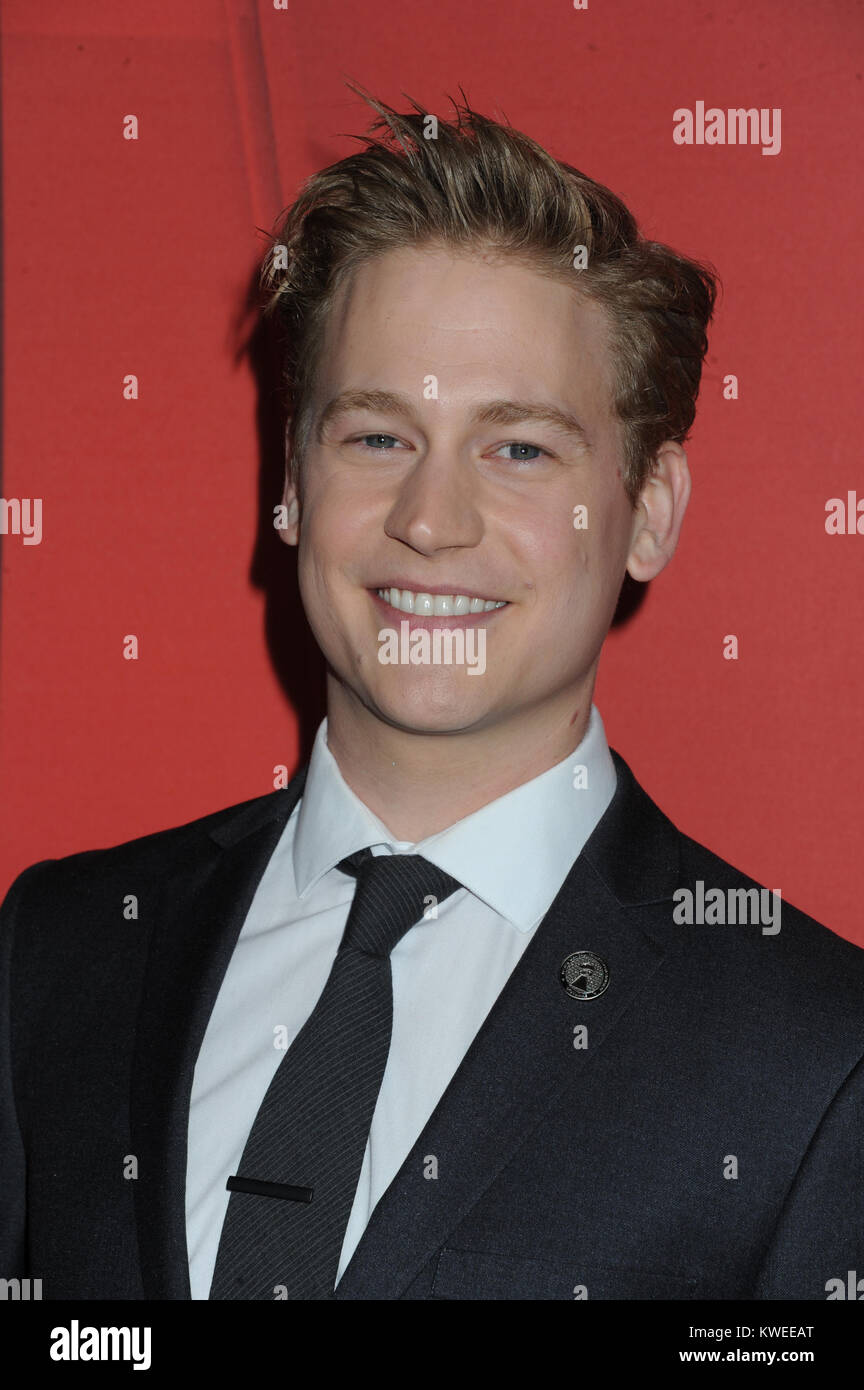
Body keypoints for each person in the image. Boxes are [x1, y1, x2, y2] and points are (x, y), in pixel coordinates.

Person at [1, 88, 862, 1302]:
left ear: (648, 511)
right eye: (375, 437)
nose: (428, 521)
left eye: (518, 448)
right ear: (289, 478)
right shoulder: (62, 950)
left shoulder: (818, 1060)